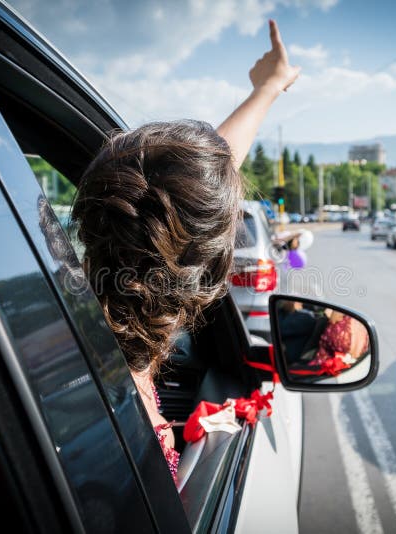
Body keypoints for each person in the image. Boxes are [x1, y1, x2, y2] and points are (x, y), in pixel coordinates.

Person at [70, 20, 300, 482]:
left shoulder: (71, 343)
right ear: (209, 275)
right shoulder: (136, 440)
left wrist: (268, 88)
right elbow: (188, 204)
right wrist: (268, 88)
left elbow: (188, 200)